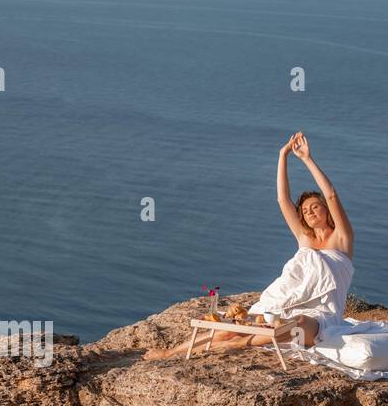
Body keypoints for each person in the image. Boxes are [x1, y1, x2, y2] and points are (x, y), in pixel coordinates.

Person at [144, 132, 354, 360]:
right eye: (304, 210)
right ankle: (171, 352)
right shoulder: (304, 237)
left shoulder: (341, 239)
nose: (309, 212)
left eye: (314, 207)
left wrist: (306, 159)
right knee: (230, 328)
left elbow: (331, 195)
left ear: (326, 210)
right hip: (286, 304)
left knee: (298, 324)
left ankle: (238, 344)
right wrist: (282, 156)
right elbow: (283, 199)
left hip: (320, 315)